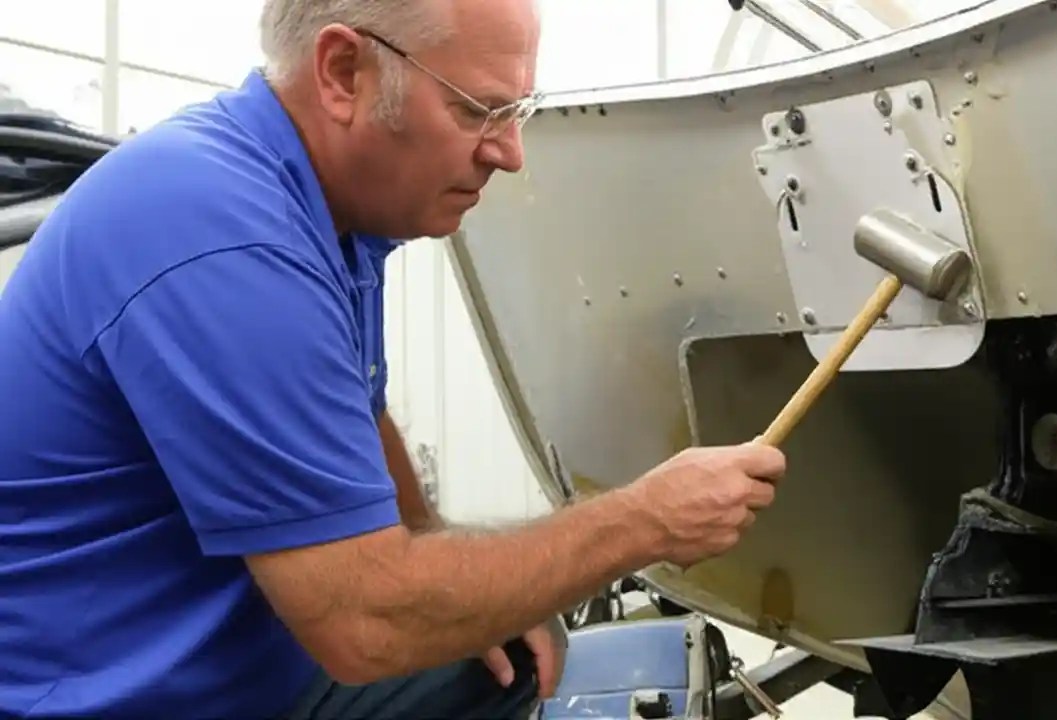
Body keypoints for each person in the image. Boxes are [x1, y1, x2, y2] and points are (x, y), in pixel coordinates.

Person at [0, 0, 787, 718]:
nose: (510, 154)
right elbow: (364, 628)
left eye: (519, 111)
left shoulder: (332, 216)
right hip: (105, 698)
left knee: (500, 655)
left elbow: (361, 410)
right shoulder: (221, 239)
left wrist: (444, 559)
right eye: (479, 109)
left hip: (239, 666)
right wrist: (643, 519)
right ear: (345, 71)